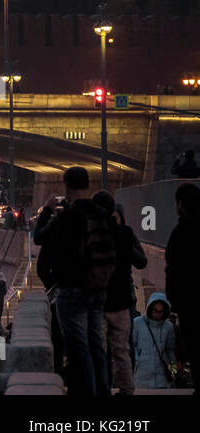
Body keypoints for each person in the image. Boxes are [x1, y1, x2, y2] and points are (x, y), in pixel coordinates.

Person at [32, 166, 116, 396]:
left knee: (79, 349)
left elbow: (39, 237)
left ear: (66, 185)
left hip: (71, 288)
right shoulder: (101, 213)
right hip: (99, 287)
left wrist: (47, 210)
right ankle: (103, 390)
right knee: (97, 344)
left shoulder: (67, 216)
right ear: (88, 184)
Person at [94, 192, 147, 394]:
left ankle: (102, 388)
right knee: (122, 350)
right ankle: (126, 388)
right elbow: (141, 261)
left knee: (100, 350)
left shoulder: (92, 233)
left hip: (99, 301)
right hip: (123, 300)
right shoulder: (125, 233)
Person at [165, 182, 200, 381]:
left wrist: (174, 298)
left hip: (188, 300)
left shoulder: (181, 231)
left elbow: (173, 266)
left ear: (180, 204)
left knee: (193, 344)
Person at [131, 293, 178, 389]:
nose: (158, 314)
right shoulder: (137, 323)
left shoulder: (168, 326)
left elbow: (171, 350)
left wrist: (174, 372)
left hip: (162, 377)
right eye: (155, 310)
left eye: (161, 311)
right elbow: (133, 345)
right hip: (142, 375)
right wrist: (137, 361)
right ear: (150, 308)